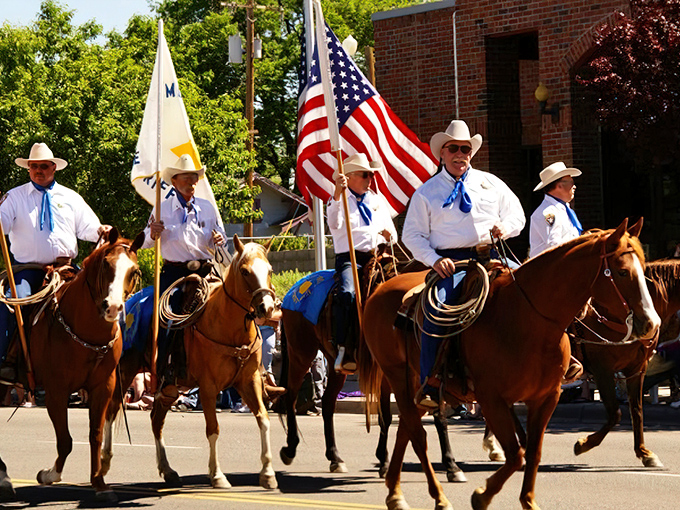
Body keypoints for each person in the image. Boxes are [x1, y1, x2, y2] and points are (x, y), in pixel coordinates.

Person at [402, 120, 525, 409]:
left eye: (466, 149)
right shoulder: (426, 192)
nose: (461, 154)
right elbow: (411, 235)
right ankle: (431, 381)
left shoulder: (492, 183)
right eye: (454, 148)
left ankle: (559, 360)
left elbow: (517, 216)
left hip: (492, 254)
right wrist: (434, 261)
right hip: (452, 264)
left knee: (533, 291)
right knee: (436, 309)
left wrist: (503, 229)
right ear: (441, 154)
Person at [0, 143, 110, 382]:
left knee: (99, 302)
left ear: (54, 168)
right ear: (28, 169)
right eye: (34, 166)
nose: (39, 170)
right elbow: (3, 224)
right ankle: (8, 360)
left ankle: (103, 360)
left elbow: (89, 228)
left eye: (43, 166)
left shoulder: (71, 197)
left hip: (65, 269)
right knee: (13, 301)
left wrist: (101, 230)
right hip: (28, 270)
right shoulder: (14, 197)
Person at [142, 154, 226, 386]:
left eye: (194, 178)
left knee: (233, 306)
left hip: (205, 271)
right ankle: (163, 368)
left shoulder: (207, 208)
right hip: (175, 274)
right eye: (187, 178)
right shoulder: (162, 208)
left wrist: (220, 238)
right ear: (175, 181)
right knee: (165, 315)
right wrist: (153, 233)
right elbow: (146, 242)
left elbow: (222, 237)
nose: (192, 183)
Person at [327, 153, 398, 373]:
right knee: (348, 293)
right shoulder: (338, 201)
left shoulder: (376, 201)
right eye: (365, 175)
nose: (370, 179)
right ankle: (343, 347)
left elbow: (393, 236)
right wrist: (338, 194)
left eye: (371, 175)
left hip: (376, 256)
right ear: (349, 177)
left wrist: (388, 235)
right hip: (350, 259)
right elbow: (335, 224)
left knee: (400, 292)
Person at [529, 162, 586, 387]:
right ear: (556, 186)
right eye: (570, 183)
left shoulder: (564, 210)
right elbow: (554, 248)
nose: (574, 188)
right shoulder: (548, 213)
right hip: (551, 275)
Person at [529, 162, 583, 258]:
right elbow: (555, 246)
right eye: (571, 182)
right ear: (559, 186)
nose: (574, 186)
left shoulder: (563, 208)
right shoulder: (548, 212)